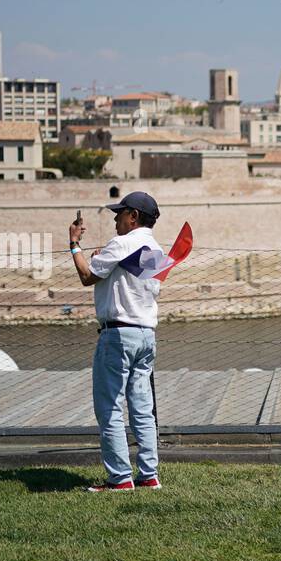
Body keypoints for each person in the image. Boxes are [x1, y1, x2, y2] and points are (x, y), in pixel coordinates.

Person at [68, 191, 166, 492]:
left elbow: (86, 276)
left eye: (120, 213)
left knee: (109, 407)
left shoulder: (122, 243)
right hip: (146, 335)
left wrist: (74, 244)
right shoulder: (156, 249)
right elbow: (135, 282)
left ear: (133, 216)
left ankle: (120, 479)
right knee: (141, 407)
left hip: (118, 335)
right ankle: (149, 475)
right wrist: (104, 261)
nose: (115, 218)